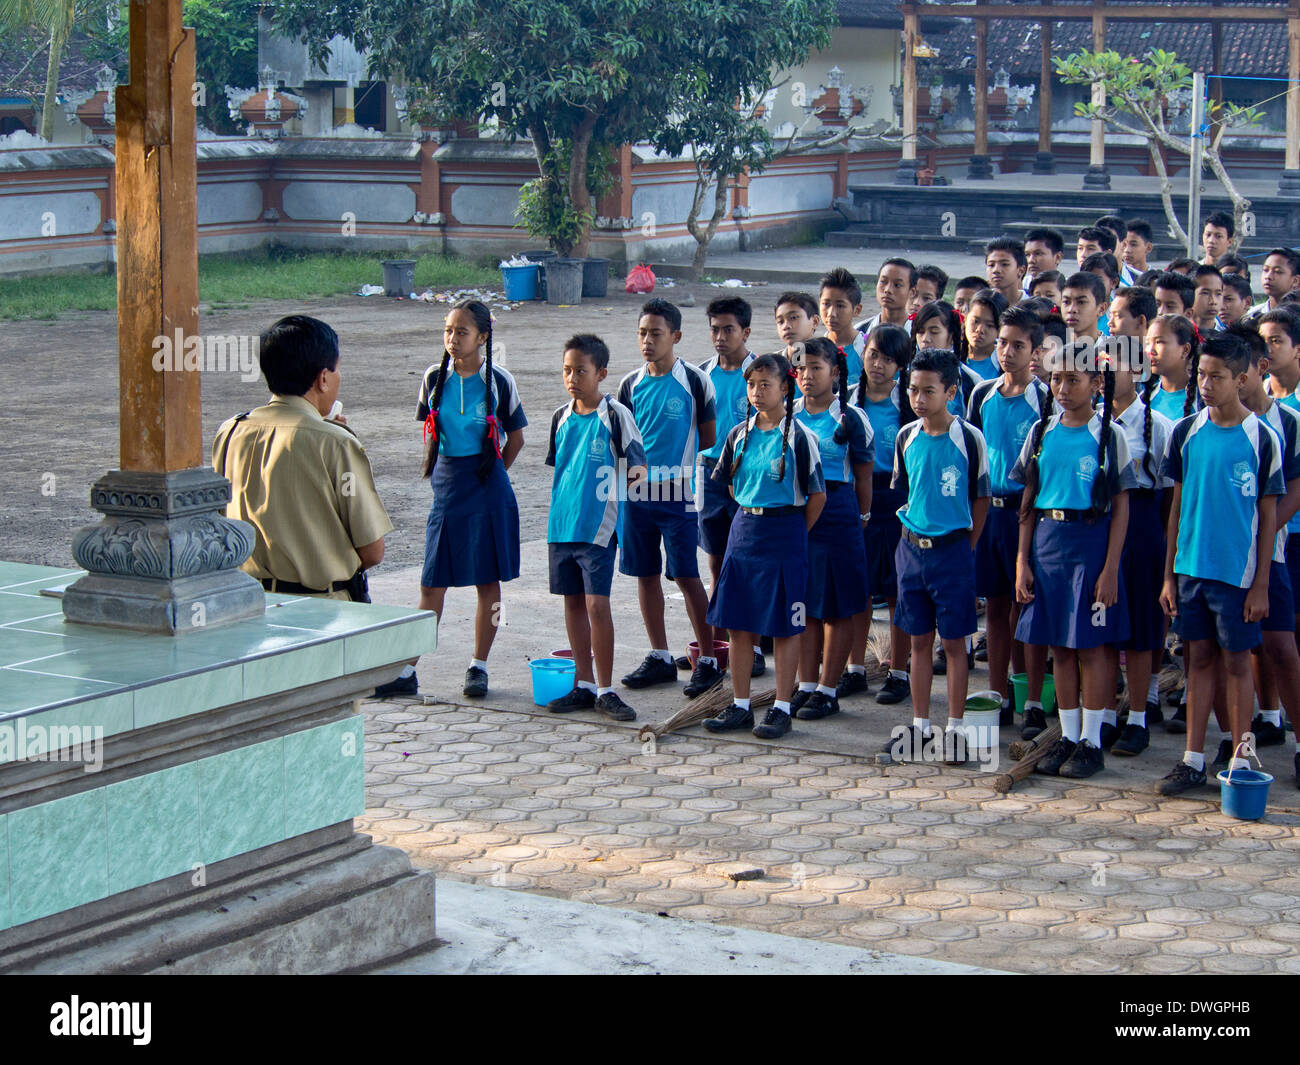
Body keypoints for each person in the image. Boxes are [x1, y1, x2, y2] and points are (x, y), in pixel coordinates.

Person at [1156, 331, 1285, 795]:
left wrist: (1261, 584)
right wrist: (1170, 575)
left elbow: (1268, 517)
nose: (1206, 385)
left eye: (1218, 377)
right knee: (1198, 662)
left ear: (1244, 378)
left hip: (1238, 574)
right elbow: (1177, 505)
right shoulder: (1187, 431)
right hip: (1192, 570)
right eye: (1202, 375)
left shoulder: (1263, 438)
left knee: (1238, 664)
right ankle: (1192, 759)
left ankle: (1241, 755)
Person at [213, 313, 393, 621]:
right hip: (324, 610)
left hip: (248, 606)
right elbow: (372, 552)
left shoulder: (230, 430)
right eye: (337, 370)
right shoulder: (335, 442)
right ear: (323, 378)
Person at [1013, 347, 1134, 779]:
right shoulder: (1041, 432)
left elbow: (1121, 507)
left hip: (1091, 545)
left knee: (1092, 648)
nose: (1063, 389)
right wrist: (1022, 561)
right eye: (1057, 379)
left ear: (1097, 385)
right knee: (1060, 647)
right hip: (1049, 544)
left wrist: (1110, 569)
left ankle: (1092, 741)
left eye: (1074, 380)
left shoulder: (1109, 435)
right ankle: (1067, 733)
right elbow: (1028, 502)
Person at [703, 353, 826, 740]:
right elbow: (727, 482)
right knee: (739, 624)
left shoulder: (801, 437)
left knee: (786, 626)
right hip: (744, 531)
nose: (757, 392)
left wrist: (791, 530)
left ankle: (781, 707)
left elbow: (817, 496)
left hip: (785, 531)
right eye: (751, 385)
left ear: (785, 388)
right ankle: (740, 705)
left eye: (766, 384)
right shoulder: (739, 433)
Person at [414, 299, 527, 698]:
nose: (452, 339)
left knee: (486, 580)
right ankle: (408, 668)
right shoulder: (433, 378)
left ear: (482, 337)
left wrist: (492, 474)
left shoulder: (499, 381)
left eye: (462, 332)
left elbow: (516, 438)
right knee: (432, 583)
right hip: (447, 486)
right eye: (448, 330)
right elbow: (430, 430)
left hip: (487, 485)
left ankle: (478, 666)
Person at [885, 348, 991, 767]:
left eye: (929, 391)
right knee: (918, 642)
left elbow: (980, 499)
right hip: (912, 549)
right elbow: (908, 489)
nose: (919, 398)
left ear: (950, 391)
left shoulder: (968, 438)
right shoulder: (906, 436)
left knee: (954, 644)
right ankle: (920, 726)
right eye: (913, 389)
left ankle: (956, 728)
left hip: (952, 551)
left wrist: (965, 546)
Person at [616, 298, 720, 697]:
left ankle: (708, 659)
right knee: (644, 574)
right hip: (634, 493)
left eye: (656, 333)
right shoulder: (629, 384)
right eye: (642, 333)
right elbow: (623, 439)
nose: (647, 340)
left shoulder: (695, 381)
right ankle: (659, 655)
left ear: (675, 336)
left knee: (687, 574)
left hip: (678, 493)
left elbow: (708, 437)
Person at [544, 334, 646, 721]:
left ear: (601, 373)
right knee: (572, 604)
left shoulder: (616, 415)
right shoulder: (561, 416)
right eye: (567, 370)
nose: (572, 378)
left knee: (596, 605)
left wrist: (608, 496)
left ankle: (606, 689)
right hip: (561, 526)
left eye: (581, 371)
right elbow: (563, 469)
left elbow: (638, 470)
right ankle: (583, 684)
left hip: (598, 530)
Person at [965, 306, 1052, 730]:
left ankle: (1033, 698)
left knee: (1028, 607)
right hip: (991, 513)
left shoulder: (1045, 400)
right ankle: (998, 694)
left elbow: (1043, 466)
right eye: (1003, 343)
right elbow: (973, 457)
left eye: (1018, 345)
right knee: (996, 609)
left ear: (1035, 351)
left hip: (1027, 513)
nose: (1007, 351)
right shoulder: (981, 394)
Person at [793, 339, 874, 721]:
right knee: (805, 605)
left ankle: (828, 689)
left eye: (816, 368)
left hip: (839, 513)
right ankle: (805, 685)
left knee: (837, 606)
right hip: (797, 513)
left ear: (836, 373)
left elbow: (863, 477)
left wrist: (861, 518)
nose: (807, 376)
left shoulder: (850, 418)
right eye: (801, 369)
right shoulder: (787, 414)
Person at [1233, 323, 1300, 785]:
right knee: (1234, 649)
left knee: (1280, 644)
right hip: (1224, 555)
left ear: (1258, 369)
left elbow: (1294, 488)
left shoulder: (1287, 423)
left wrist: (1262, 532)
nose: (1233, 382)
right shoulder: (1212, 417)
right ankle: (1237, 745)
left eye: (1240, 373)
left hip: (1271, 550)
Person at [1105, 322, 1175, 757]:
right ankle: (1108, 712)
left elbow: (1169, 498)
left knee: (1144, 624)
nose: (1109, 371)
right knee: (1109, 622)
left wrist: (1164, 546)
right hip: (1103, 525)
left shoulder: (1160, 426)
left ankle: (1139, 713)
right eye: (1102, 364)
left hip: (1145, 526)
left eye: (1117, 364)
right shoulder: (1090, 421)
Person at [844, 324, 913, 705]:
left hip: (897, 499)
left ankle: (898, 672)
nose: (879, 365)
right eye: (873, 355)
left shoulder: (908, 404)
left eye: (889, 359)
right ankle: (855, 668)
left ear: (901, 366)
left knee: (897, 588)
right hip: (857, 499)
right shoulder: (849, 402)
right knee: (860, 587)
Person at [696, 296, 762, 677]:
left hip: (748, 476)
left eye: (729, 329)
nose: (720, 337)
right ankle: (721, 645)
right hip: (709, 473)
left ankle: (751, 647)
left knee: (746, 564)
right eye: (715, 329)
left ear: (746, 331)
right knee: (717, 562)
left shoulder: (760, 372)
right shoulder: (703, 374)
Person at [913, 299, 980, 415]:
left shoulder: (969, 380)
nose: (925, 339)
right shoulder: (907, 374)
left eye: (934, 332)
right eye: (920, 332)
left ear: (950, 336)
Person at [1146, 313, 1199, 423]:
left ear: (1185, 350)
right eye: (1148, 343)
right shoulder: (1144, 398)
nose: (1151, 350)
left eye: (1159, 342)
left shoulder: (1203, 401)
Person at [819, 266, 867, 386]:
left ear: (857, 310)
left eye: (840, 306)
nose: (831, 313)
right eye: (826, 304)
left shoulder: (866, 350)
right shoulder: (813, 350)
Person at [859, 258, 916, 334]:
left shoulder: (920, 334)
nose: (888, 290)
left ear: (911, 292)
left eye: (897, 285)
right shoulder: (860, 332)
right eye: (883, 282)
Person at [964, 288, 1008, 381]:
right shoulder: (951, 357)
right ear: (966, 318)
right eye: (975, 321)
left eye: (989, 325)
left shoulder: (1005, 362)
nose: (979, 330)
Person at [1244, 248, 1300, 320]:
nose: (1268, 276)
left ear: (1295, 281)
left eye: (1278, 272)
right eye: (1265, 270)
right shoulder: (1252, 316)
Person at [1060, 271, 1107, 342]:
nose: (1071, 309)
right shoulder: (1050, 349)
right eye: (1066, 302)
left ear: (1101, 309)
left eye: (1081, 302)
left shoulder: (1114, 351)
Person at [985, 236, 1027, 309]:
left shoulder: (1031, 306)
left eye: (1004, 264)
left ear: (1021, 270)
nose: (996, 270)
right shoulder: (982, 304)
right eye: (991, 265)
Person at [1023, 228, 1065, 295]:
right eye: (1027, 255)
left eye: (1038, 254)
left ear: (1058, 257)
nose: (1031, 260)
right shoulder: (1021, 287)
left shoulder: (1068, 288)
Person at [1191, 264, 1225, 333]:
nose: (1213, 301)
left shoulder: (1226, 337)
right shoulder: (1177, 335)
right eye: (1205, 293)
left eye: (1218, 294)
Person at [1121, 219, 1155, 283]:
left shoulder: (1156, 279)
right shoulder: (1117, 278)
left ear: (1148, 248)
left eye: (1133, 245)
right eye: (1124, 244)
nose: (1127, 250)